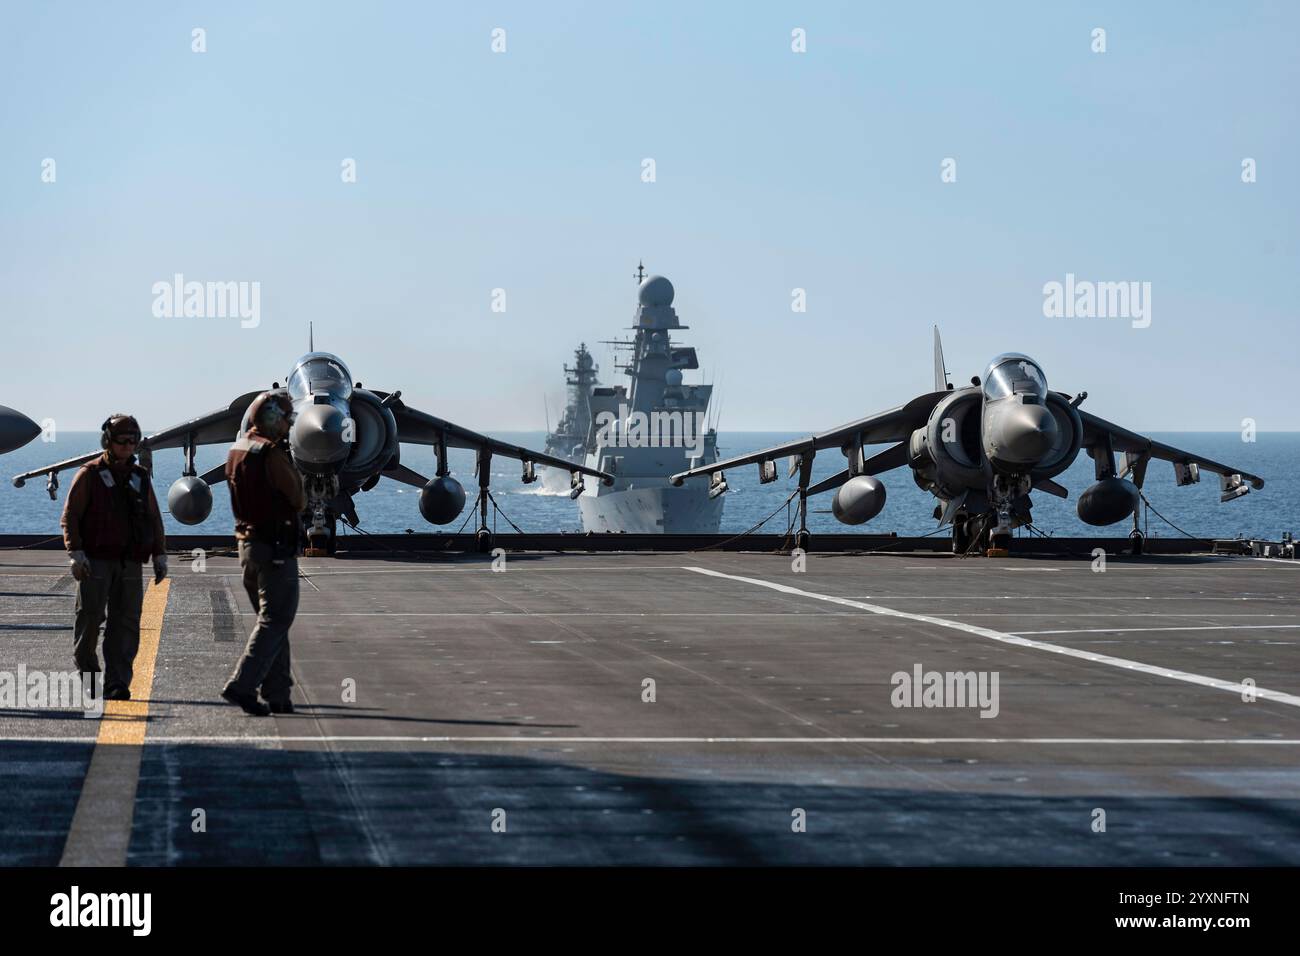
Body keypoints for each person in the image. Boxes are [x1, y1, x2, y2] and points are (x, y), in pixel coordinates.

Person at [61, 414, 168, 701]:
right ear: (108, 441)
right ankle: (91, 678)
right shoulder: (89, 474)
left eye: (133, 441)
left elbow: (153, 516)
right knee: (89, 623)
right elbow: (70, 515)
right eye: (122, 441)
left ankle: (117, 682)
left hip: (130, 562)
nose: (128, 446)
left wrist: (160, 554)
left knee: (126, 626)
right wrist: (76, 552)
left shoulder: (139, 477)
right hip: (94, 562)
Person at [220, 392, 305, 717]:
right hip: (275, 549)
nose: (288, 426)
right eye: (285, 419)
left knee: (273, 621)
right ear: (271, 418)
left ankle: (278, 694)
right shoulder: (269, 453)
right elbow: (297, 498)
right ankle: (242, 685)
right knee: (276, 619)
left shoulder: (237, 450)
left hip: (249, 547)